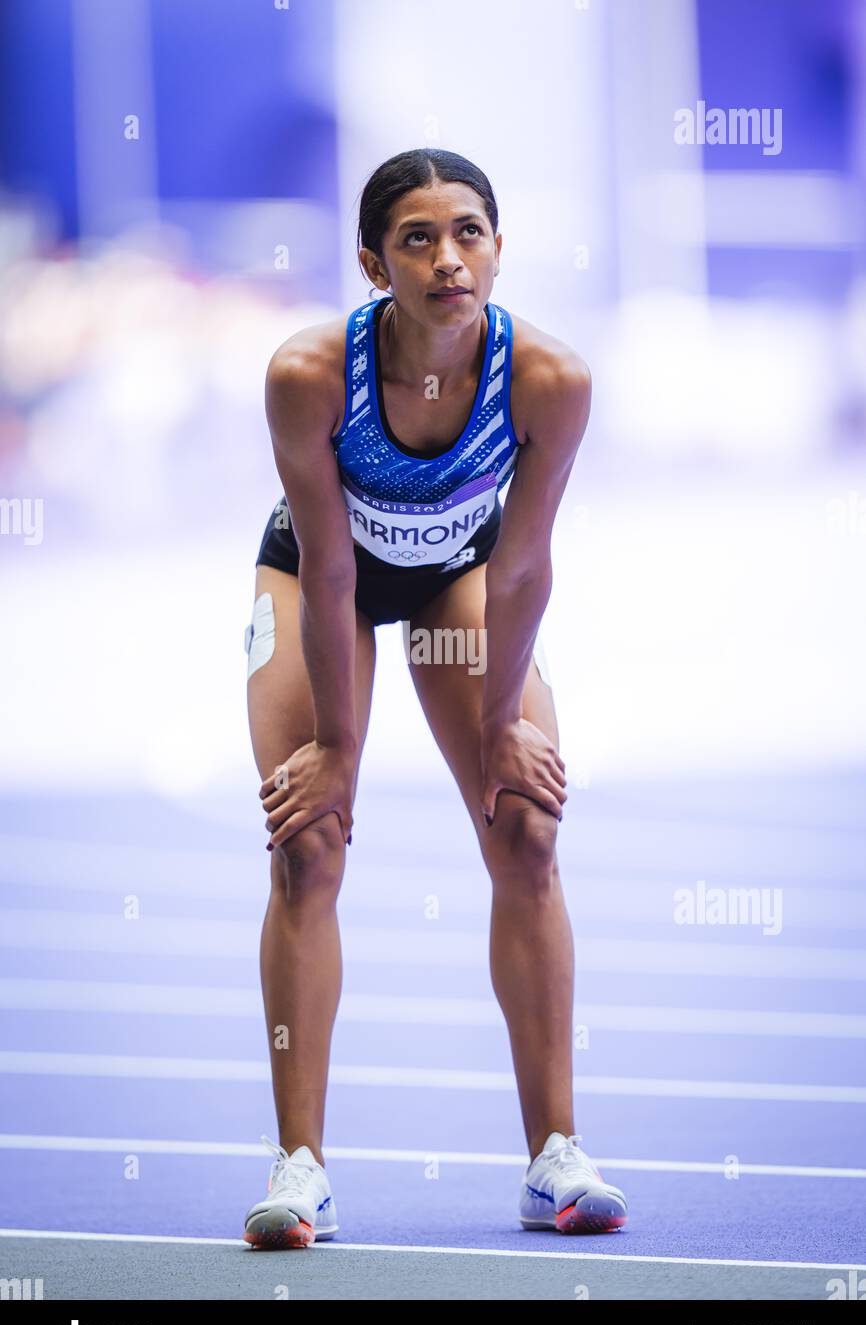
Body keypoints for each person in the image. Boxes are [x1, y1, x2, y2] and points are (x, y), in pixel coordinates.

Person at [242, 148, 628, 1249]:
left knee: (527, 830)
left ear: (497, 249)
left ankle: (553, 1153)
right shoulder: (308, 375)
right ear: (373, 263)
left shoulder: (549, 378)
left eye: (468, 231)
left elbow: (520, 564)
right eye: (416, 238)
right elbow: (326, 573)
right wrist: (340, 750)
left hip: (462, 574)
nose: (446, 257)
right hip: (324, 579)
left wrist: (503, 721)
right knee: (308, 841)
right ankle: (299, 1166)